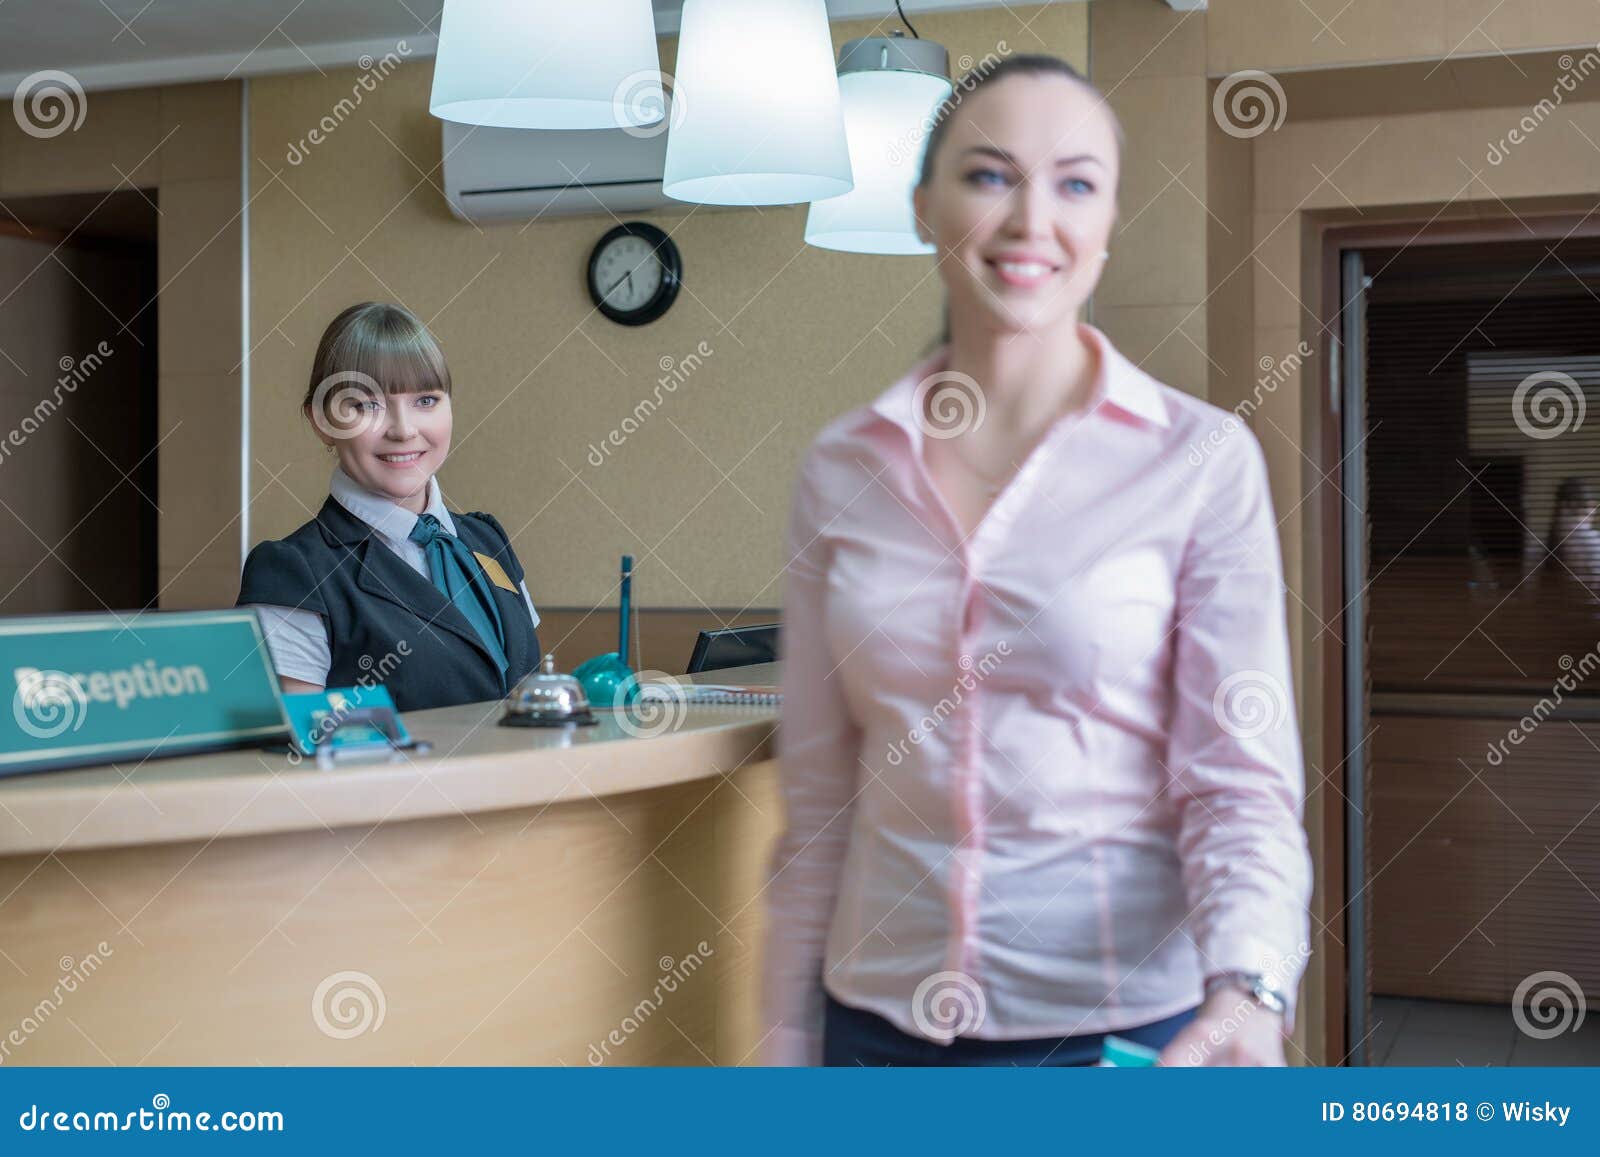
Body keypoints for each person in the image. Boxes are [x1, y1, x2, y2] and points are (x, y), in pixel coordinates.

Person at [763, 55, 1313, 1067]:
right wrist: (781, 1029)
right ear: (921, 205)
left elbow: (1237, 777)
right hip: (873, 1026)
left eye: (1074, 183)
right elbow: (818, 791)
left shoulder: (1198, 459)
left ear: (1106, 226)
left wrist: (1250, 982)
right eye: (986, 175)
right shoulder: (840, 468)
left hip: (1115, 1029)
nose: (1030, 219)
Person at [237, 301, 541, 712]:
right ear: (320, 420)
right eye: (365, 405)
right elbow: (300, 757)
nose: (403, 430)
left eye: (426, 400)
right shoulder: (293, 574)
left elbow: (529, 695)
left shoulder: (487, 540)